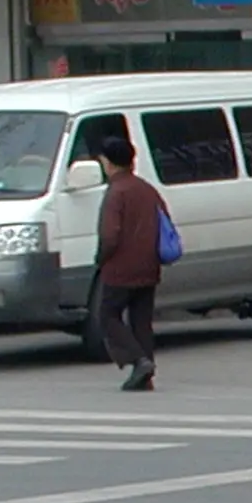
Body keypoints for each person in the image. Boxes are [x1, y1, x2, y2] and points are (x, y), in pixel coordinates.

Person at [93, 134, 165, 391]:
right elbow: (164, 221)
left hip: (121, 268)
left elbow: (110, 235)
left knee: (108, 316)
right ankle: (145, 375)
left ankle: (139, 360)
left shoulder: (116, 192)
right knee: (142, 321)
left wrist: (100, 258)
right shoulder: (147, 189)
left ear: (108, 162)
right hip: (149, 265)